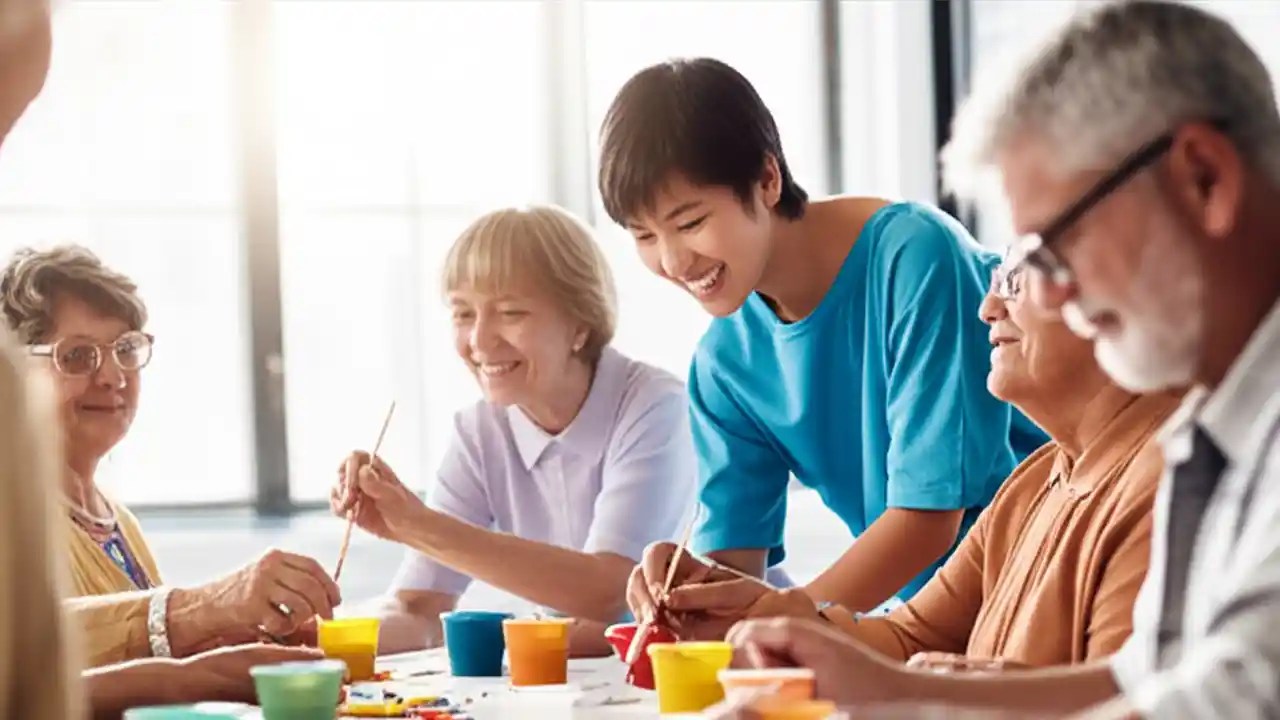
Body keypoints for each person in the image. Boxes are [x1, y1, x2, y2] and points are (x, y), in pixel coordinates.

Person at [715, 2, 1280, 718]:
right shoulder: (1219, 432)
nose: (1051, 293)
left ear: (1205, 179)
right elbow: (1143, 684)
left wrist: (907, 705)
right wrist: (880, 685)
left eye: (1051, 246)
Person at [600, 57, 1047, 624]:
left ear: (767, 180)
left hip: (1046, 589)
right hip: (927, 628)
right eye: (644, 236)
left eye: (689, 223)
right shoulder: (723, 365)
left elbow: (931, 519)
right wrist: (691, 589)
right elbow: (738, 565)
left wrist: (788, 618)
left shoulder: (914, 256)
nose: (672, 261)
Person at [642, 240, 1180, 668]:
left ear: (1113, 292)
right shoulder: (1037, 480)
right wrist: (754, 618)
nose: (989, 308)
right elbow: (909, 636)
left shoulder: (1169, 487)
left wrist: (944, 694)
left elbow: (1122, 702)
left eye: (1015, 281)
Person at [332, 205, 696, 656]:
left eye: (510, 312)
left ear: (581, 325)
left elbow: (608, 591)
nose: (480, 342)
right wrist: (309, 644)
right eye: (463, 314)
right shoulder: (480, 431)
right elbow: (418, 610)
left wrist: (416, 523)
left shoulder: (655, 407)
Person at [0, 244, 342, 667]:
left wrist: (237, 636)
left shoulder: (117, 520)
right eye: (77, 356)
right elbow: (22, 651)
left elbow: (136, 657)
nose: (112, 377)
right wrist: (207, 609)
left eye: (125, 349)